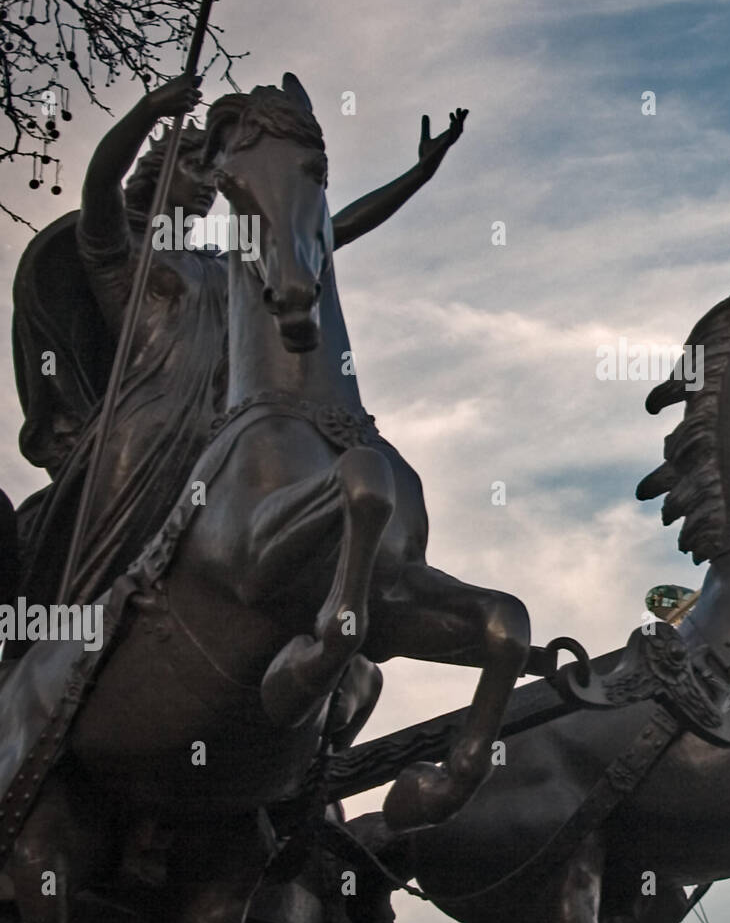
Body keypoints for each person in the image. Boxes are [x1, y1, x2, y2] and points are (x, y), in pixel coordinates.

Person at [11, 74, 468, 633]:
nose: (207, 184)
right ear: (157, 176)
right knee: (100, 575)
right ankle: (62, 644)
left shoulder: (228, 262)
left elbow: (331, 229)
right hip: (145, 439)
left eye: (213, 173)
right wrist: (148, 111)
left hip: (221, 434)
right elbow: (100, 183)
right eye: (193, 167)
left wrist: (418, 174)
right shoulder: (119, 253)